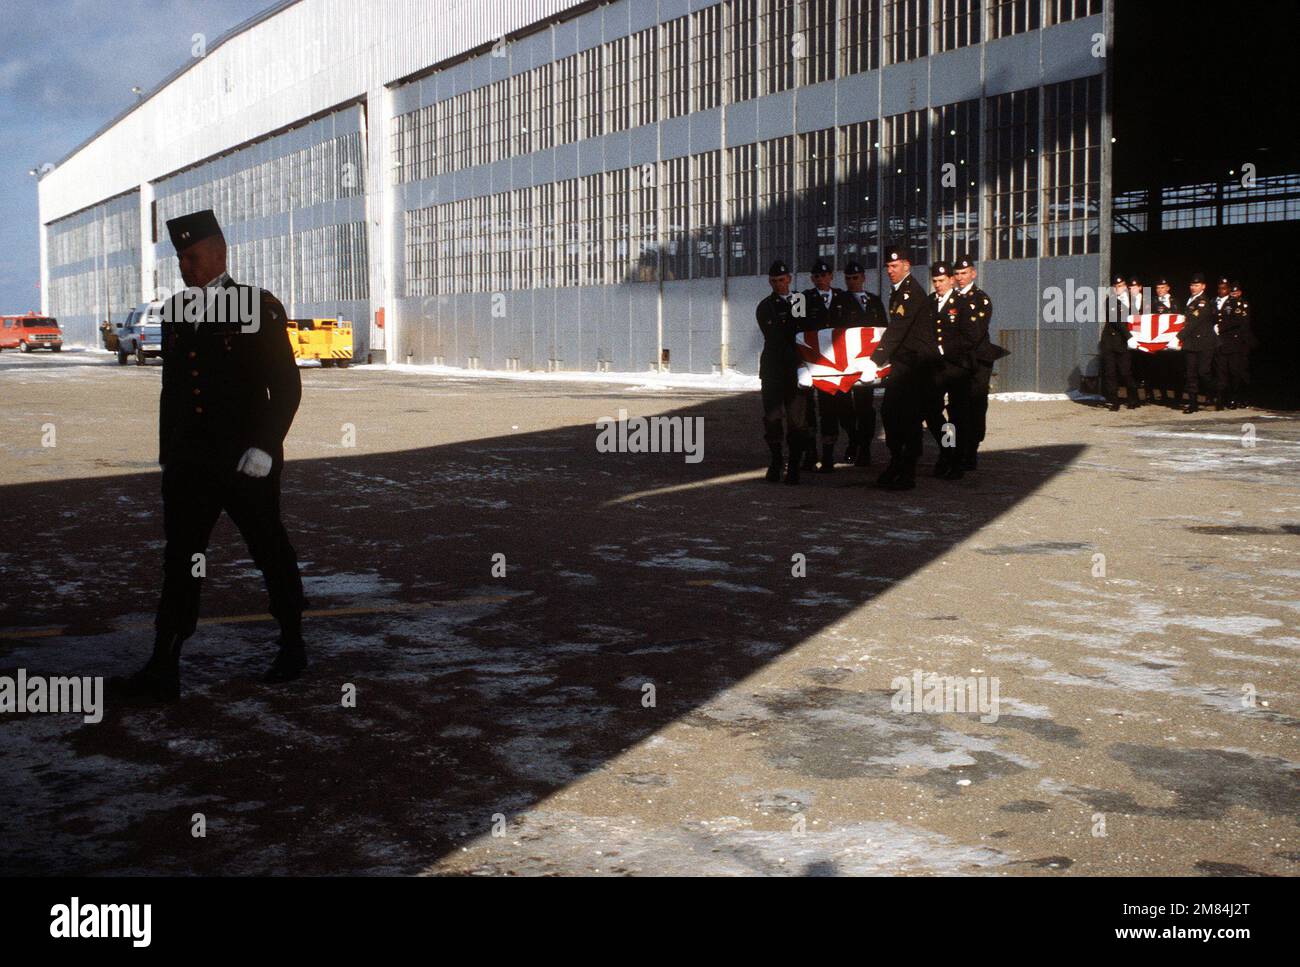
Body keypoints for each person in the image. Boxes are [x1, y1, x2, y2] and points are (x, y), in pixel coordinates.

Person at [110, 209, 306, 703]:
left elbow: (284, 386)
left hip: (245, 464)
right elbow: (173, 390)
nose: (185, 266)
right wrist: (168, 453)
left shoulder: (254, 305)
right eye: (179, 258)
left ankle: (292, 643)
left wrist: (265, 446)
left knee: (269, 552)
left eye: (192, 256)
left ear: (218, 252)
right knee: (181, 561)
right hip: (192, 466)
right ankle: (163, 665)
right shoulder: (177, 310)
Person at [871, 245, 935, 491]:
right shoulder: (898, 291)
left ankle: (907, 469)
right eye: (888, 266)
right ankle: (898, 461)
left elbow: (897, 329)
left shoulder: (911, 293)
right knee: (890, 413)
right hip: (902, 363)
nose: (890, 270)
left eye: (895, 266)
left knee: (907, 417)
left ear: (906, 266)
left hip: (915, 365)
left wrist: (874, 359)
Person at [924, 260, 979, 480]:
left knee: (957, 415)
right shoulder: (929, 303)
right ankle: (947, 449)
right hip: (936, 369)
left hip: (958, 368)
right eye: (935, 281)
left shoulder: (963, 304)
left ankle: (956, 460)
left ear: (951, 279)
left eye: (941, 280)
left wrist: (942, 348)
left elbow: (970, 337)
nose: (937, 285)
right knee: (931, 411)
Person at [755, 259, 808, 484]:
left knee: (797, 421)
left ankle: (794, 465)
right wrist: (799, 361)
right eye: (775, 281)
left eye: (782, 280)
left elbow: (804, 332)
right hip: (774, 370)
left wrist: (805, 364)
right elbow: (778, 337)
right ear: (770, 282)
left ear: (789, 279)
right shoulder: (765, 306)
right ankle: (776, 461)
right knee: (773, 419)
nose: (779, 285)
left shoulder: (798, 300)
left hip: (796, 371)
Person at [952, 255, 1004, 469]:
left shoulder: (980, 299)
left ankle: (971, 449)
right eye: (956, 274)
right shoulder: (949, 299)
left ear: (973, 273)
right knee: (954, 408)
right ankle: (952, 449)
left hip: (977, 361)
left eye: (964, 273)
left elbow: (974, 334)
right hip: (956, 362)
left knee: (975, 406)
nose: (960, 277)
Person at [834, 260, 887, 466]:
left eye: (855, 278)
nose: (852, 282)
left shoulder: (874, 301)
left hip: (867, 363)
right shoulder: (839, 301)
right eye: (848, 279)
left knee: (865, 407)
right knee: (844, 406)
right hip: (846, 364)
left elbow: (883, 329)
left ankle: (864, 446)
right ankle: (853, 439)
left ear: (863, 278)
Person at [801, 258, 843, 472]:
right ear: (812, 278)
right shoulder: (801, 299)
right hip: (810, 362)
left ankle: (828, 455)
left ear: (831, 276)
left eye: (824, 275)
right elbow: (794, 330)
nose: (821, 280)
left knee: (829, 409)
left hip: (832, 366)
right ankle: (810, 453)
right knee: (808, 410)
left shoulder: (842, 298)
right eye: (816, 276)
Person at [1100, 274, 1139, 411]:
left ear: (1125, 286)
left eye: (1121, 285)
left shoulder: (1132, 301)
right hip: (1111, 342)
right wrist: (1129, 337)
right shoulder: (1109, 301)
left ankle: (1133, 398)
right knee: (1111, 373)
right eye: (1116, 286)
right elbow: (1116, 321)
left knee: (1125, 372)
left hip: (1123, 342)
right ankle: (1114, 401)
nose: (1118, 288)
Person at [1180, 272, 1217, 413]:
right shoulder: (1190, 300)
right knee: (1191, 374)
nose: (1193, 288)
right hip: (1191, 342)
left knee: (1204, 373)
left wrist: (1179, 337)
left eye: (1196, 285)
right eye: (1192, 285)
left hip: (1204, 343)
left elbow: (1194, 322)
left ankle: (1216, 393)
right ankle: (1193, 403)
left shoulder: (1203, 302)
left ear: (1203, 286)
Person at [1215, 280, 1252, 409]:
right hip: (1224, 342)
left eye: (1236, 292)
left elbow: (1241, 322)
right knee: (1224, 372)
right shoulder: (1222, 303)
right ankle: (1225, 398)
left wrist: (1220, 327)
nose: (1234, 294)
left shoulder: (1241, 304)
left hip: (1238, 342)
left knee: (1238, 372)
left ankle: (1238, 397)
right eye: (1232, 292)